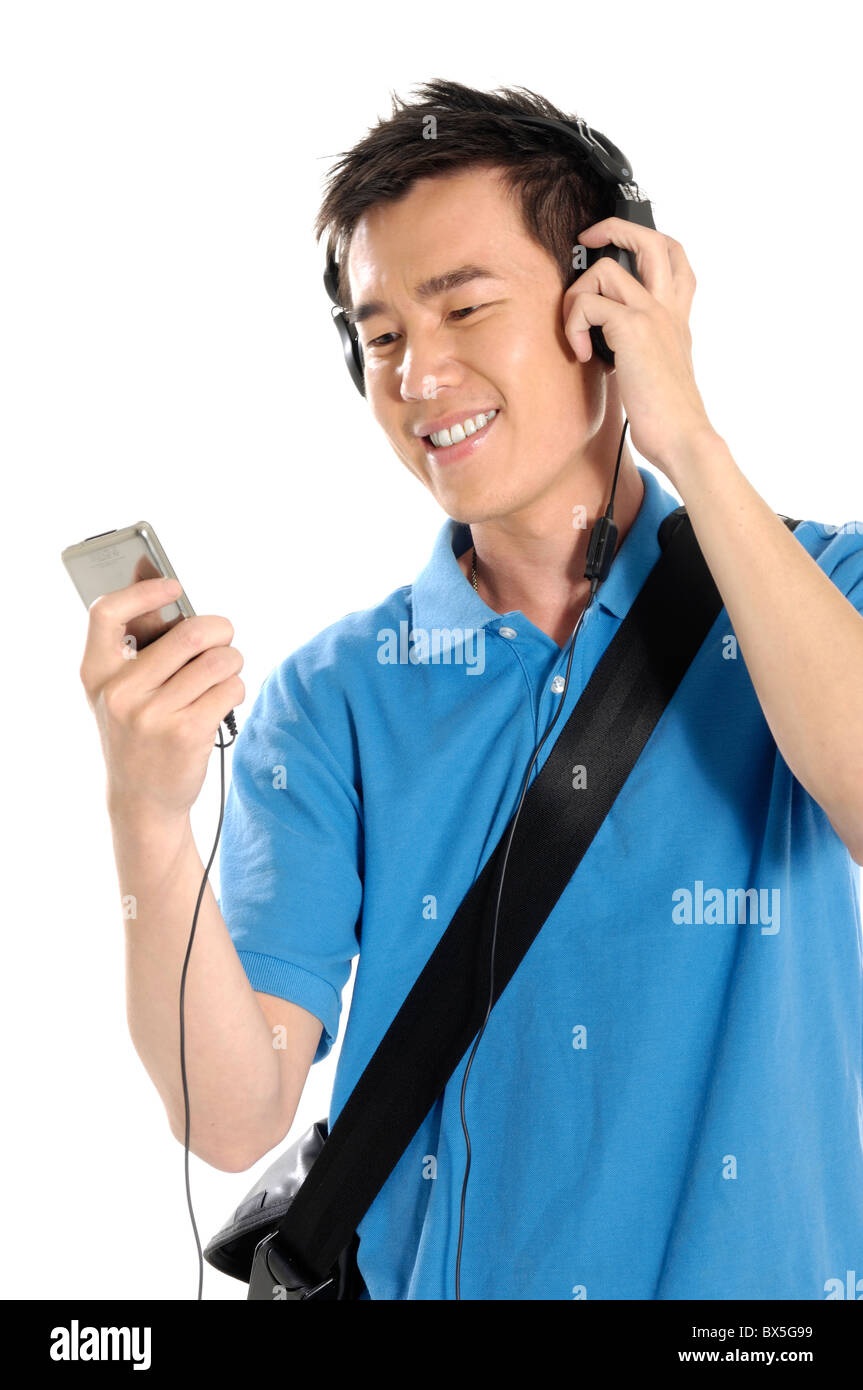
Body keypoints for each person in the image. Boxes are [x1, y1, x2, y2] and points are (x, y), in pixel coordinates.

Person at [79, 80, 863, 1301]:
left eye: (463, 308)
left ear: (608, 307)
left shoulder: (814, 588)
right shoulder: (332, 697)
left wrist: (690, 439)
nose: (414, 373)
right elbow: (232, 1115)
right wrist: (145, 815)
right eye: (380, 333)